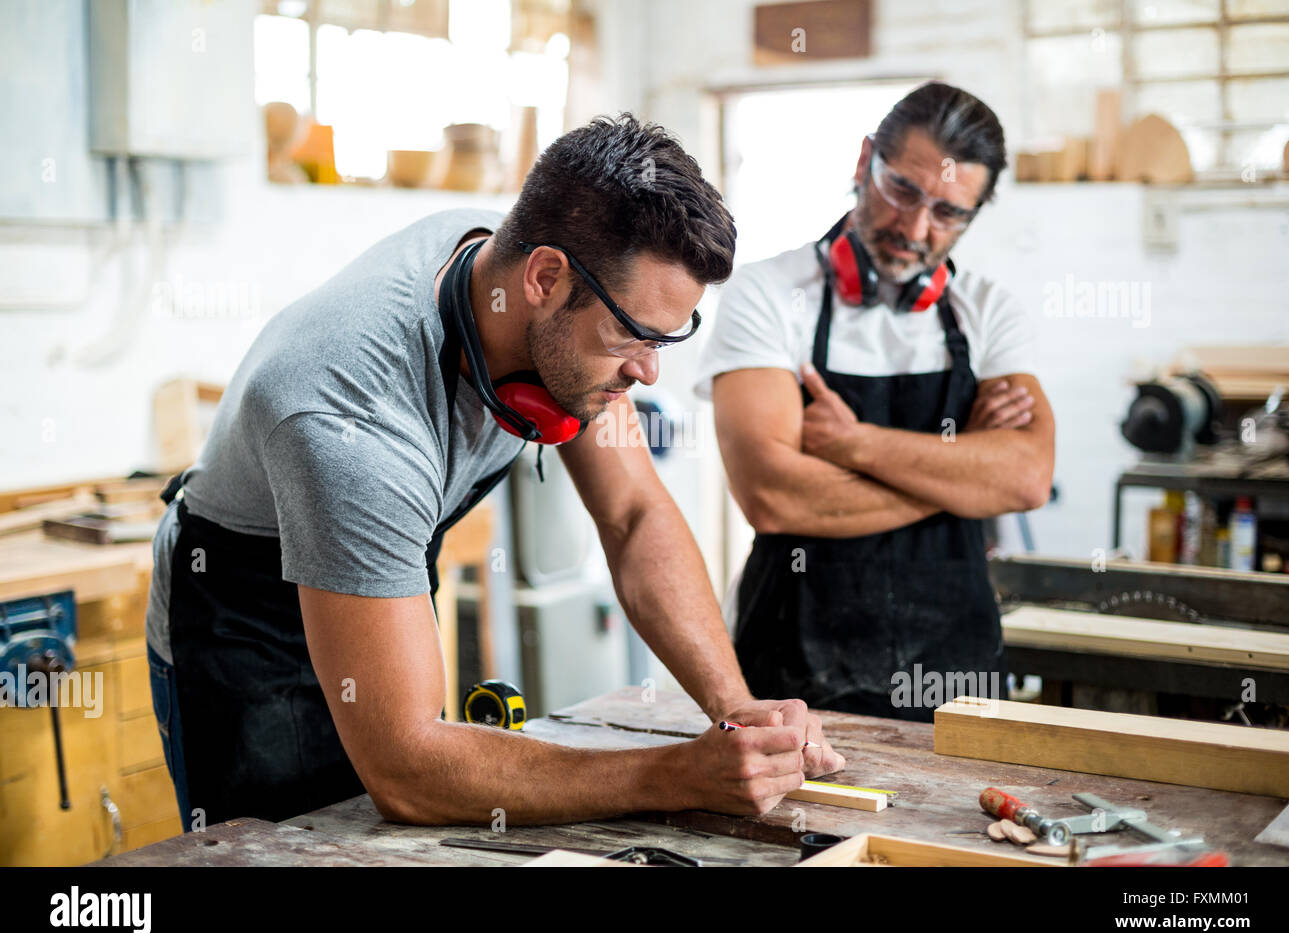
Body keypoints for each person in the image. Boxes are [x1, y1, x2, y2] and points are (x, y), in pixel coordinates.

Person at [144, 113, 845, 829]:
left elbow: (634, 515)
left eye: (669, 336)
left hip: (364, 554)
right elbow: (409, 770)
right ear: (545, 277)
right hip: (247, 620)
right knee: (295, 842)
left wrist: (735, 711)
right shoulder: (346, 416)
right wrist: (677, 775)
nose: (648, 369)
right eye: (635, 334)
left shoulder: (535, 277)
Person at [697, 83, 1055, 721]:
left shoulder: (989, 312)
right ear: (866, 162)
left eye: (948, 212)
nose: (915, 228)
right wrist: (964, 472)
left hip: (957, 678)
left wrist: (853, 443)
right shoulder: (768, 295)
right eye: (903, 191)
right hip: (792, 674)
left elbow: (1026, 479)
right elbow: (774, 497)